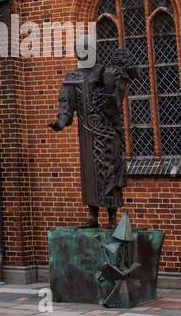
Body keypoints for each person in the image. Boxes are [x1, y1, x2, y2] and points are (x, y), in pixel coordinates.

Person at [49, 46, 138, 227]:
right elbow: (66, 104)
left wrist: (109, 84)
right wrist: (61, 121)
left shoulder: (106, 71)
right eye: (80, 50)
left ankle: (112, 218)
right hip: (87, 135)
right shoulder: (73, 78)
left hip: (107, 131)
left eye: (86, 49)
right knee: (90, 174)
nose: (83, 53)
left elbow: (115, 102)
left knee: (110, 173)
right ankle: (92, 217)